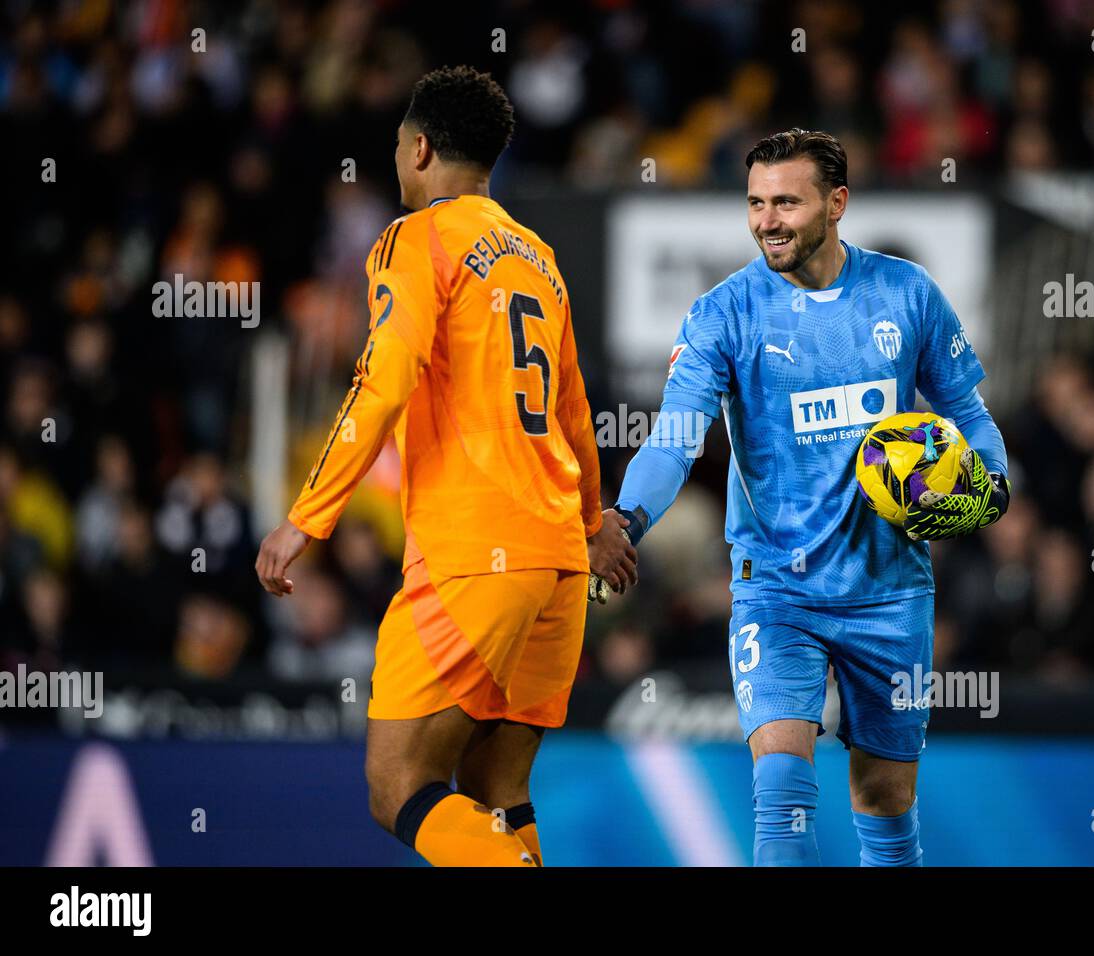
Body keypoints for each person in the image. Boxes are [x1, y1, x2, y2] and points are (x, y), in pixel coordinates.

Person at [254, 65, 635, 867]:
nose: (396, 161)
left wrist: (306, 516)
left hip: (475, 558)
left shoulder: (415, 239)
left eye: (397, 145)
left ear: (421, 148)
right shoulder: (537, 255)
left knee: (397, 782)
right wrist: (593, 523)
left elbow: (381, 376)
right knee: (495, 792)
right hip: (559, 564)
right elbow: (574, 414)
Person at [612, 129, 1010, 866]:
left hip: (890, 592)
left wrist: (994, 484)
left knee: (886, 801)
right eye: (757, 203)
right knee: (783, 793)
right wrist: (624, 518)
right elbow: (673, 441)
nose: (768, 220)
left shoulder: (906, 293)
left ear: (837, 203)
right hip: (776, 588)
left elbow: (972, 417)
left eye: (786, 203)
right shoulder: (721, 315)